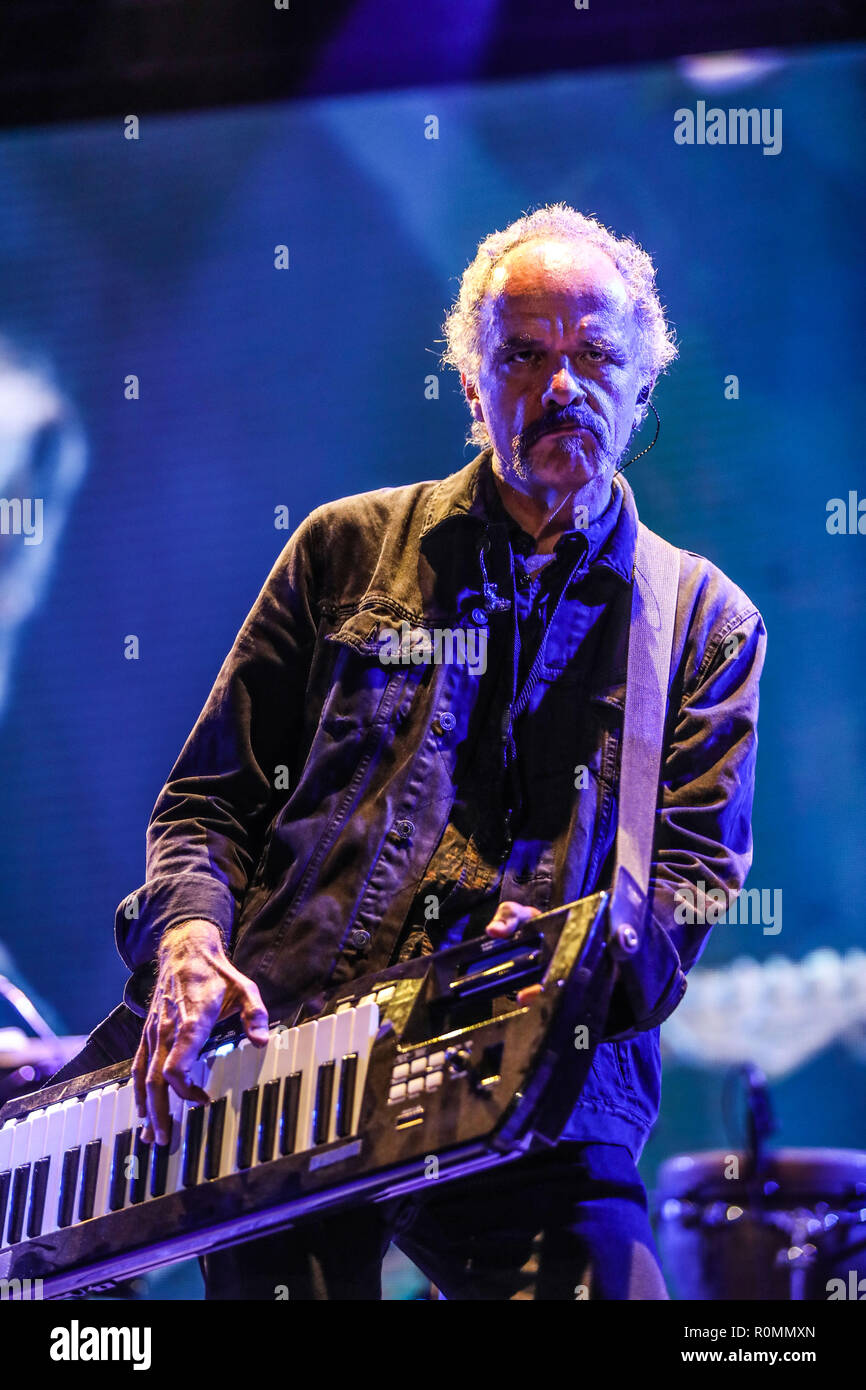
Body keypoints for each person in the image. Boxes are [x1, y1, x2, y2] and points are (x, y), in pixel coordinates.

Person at [115, 203, 766, 1299]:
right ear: (471, 389)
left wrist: (568, 952)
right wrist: (185, 934)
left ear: (643, 384)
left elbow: (687, 895)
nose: (560, 384)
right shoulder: (340, 548)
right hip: (301, 1068)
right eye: (522, 356)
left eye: (594, 354)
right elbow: (207, 806)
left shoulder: (703, 622)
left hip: (545, 1097)